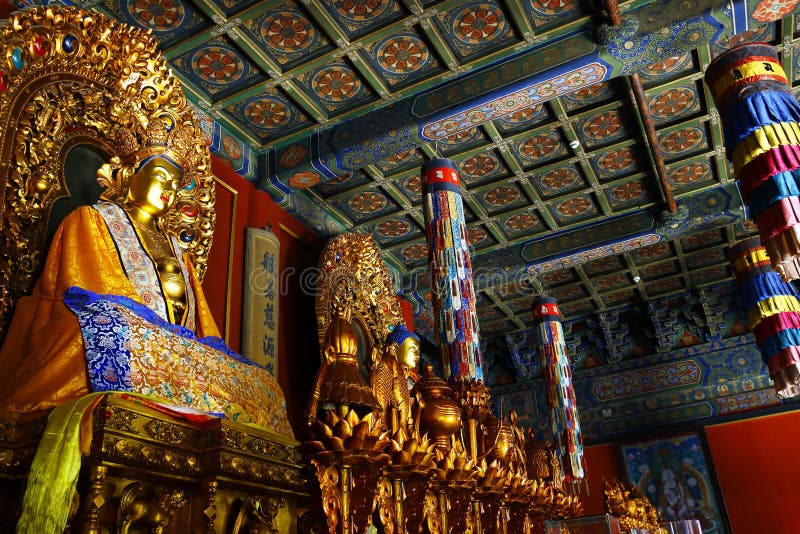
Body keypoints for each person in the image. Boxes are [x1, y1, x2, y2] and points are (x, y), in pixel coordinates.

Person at [0, 118, 292, 436]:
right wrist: (152, 335)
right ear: (130, 176)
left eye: (174, 185)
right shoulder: (92, 220)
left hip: (173, 348)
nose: (168, 190)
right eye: (161, 177)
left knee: (261, 383)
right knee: (108, 333)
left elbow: (202, 327)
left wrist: (199, 350)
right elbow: (88, 294)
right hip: (121, 329)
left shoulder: (180, 253)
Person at [370, 324, 420, 433]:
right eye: (412, 349)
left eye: (418, 350)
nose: (417, 355)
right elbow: (380, 407)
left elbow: (406, 412)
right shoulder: (382, 370)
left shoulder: (402, 376)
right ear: (393, 349)